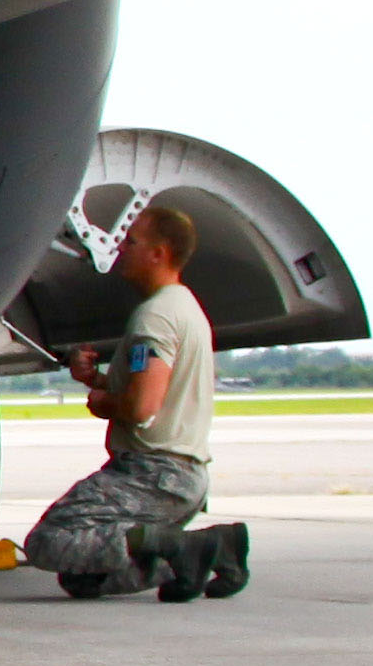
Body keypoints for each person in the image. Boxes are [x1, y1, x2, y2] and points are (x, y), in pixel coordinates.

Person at [19, 200, 252, 600]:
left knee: (48, 541)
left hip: (152, 473)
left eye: (132, 242)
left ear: (158, 253)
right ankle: (205, 553)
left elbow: (142, 407)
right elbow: (156, 389)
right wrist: (94, 379)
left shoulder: (155, 317)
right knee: (81, 577)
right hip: (181, 476)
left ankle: (185, 546)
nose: (121, 248)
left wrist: (100, 402)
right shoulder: (184, 307)